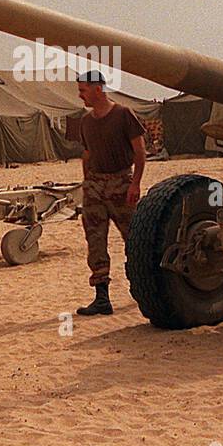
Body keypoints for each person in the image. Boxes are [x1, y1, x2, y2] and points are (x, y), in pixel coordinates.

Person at [75, 69, 146, 316]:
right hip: (94, 187)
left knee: (135, 240)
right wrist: (87, 184)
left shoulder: (124, 114)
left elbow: (140, 153)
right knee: (95, 242)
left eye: (83, 90)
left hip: (120, 184)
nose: (80, 96)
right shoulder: (85, 121)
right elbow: (87, 154)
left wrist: (135, 183)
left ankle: (146, 288)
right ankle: (102, 298)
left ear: (98, 89)